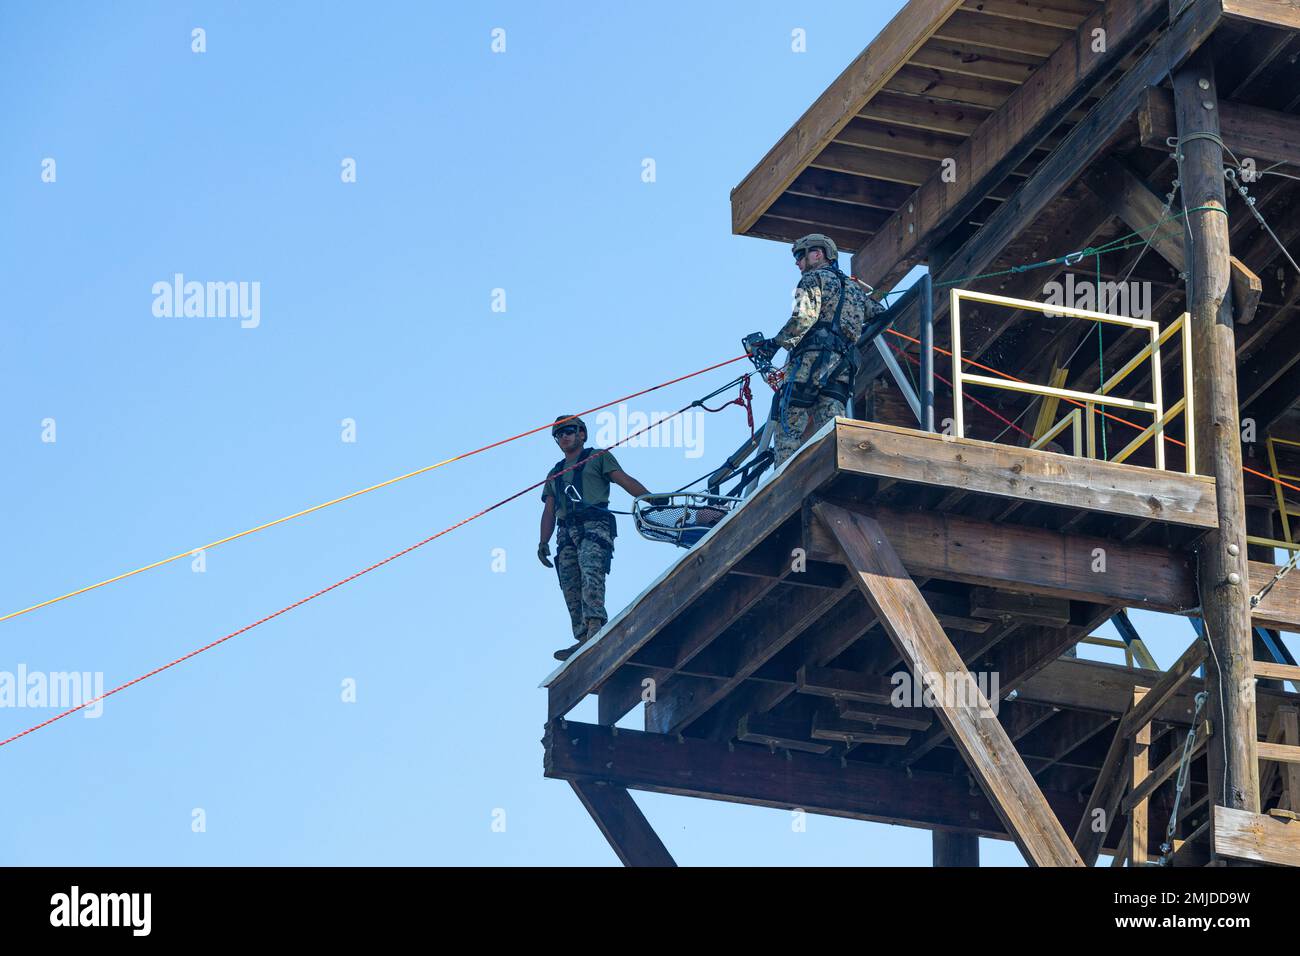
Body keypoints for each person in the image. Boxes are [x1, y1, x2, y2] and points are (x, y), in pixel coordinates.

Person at [753, 234, 886, 465]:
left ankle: (783, 479)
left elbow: (804, 319)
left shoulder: (812, 279)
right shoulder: (854, 290)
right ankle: (843, 470)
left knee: (788, 423)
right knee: (832, 423)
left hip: (809, 363)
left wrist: (773, 345)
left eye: (800, 256)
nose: (797, 263)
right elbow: (879, 313)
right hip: (841, 367)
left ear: (818, 254)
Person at [538, 416, 650, 661]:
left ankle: (595, 626)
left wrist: (651, 500)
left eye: (568, 431)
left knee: (591, 571)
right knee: (569, 581)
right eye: (558, 434)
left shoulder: (598, 457)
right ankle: (583, 637)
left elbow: (624, 480)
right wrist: (543, 542)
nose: (563, 436)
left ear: (582, 434)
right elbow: (549, 509)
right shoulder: (555, 474)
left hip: (594, 525)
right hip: (566, 531)